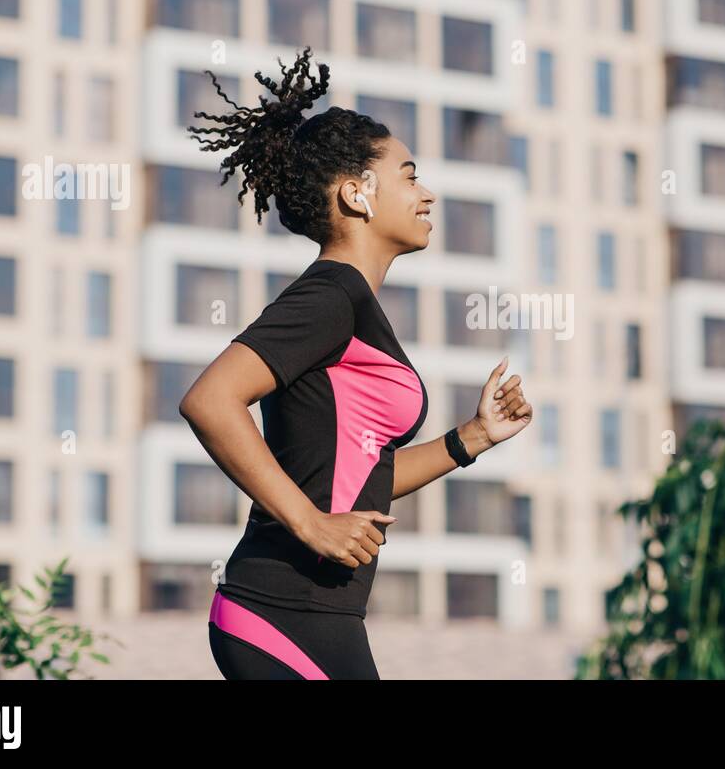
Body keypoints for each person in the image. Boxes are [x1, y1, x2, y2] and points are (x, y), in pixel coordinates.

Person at [179, 49, 533, 679]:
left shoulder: (350, 303)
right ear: (357, 195)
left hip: (317, 614)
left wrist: (472, 438)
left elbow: (360, 471)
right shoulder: (329, 298)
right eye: (408, 175)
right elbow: (209, 400)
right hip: (282, 609)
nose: (426, 193)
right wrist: (311, 525)